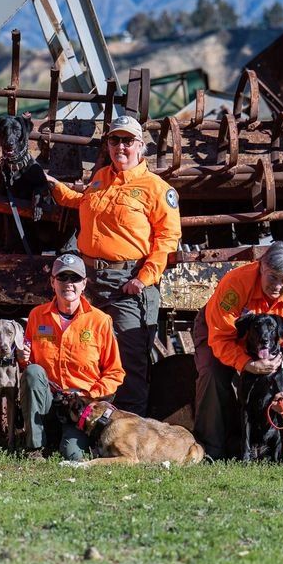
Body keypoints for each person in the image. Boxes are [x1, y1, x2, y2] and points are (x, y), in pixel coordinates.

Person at [45, 115, 180, 416]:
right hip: (90, 281)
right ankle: (87, 422)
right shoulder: (100, 178)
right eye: (114, 140)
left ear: (140, 146)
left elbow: (168, 238)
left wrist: (143, 279)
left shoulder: (156, 188)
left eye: (127, 141)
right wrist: (56, 188)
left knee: (130, 357)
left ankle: (130, 428)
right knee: (88, 351)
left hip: (127, 283)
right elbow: (85, 202)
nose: (121, 146)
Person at [193, 241, 283, 462]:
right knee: (212, 374)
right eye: (273, 277)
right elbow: (220, 337)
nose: (277, 286)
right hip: (221, 333)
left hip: (266, 345)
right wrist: (246, 364)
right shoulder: (235, 284)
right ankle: (211, 449)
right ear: (261, 266)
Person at [19, 253, 125, 460]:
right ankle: (35, 448)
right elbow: (28, 366)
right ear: (53, 282)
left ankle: (65, 442)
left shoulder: (100, 321)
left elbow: (115, 373)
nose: (69, 283)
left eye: (75, 278)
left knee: (73, 455)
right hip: (48, 402)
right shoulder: (37, 316)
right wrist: (22, 357)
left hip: (79, 407)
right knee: (33, 372)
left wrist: (88, 397)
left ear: (84, 284)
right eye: (62, 277)